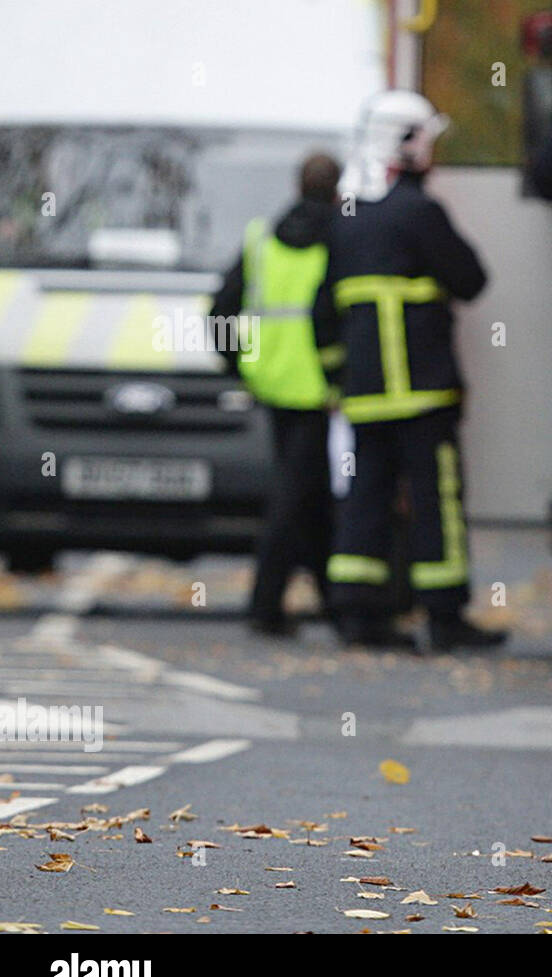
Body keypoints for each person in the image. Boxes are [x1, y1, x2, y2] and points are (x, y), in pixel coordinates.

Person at [316, 90, 506, 652]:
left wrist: (336, 383)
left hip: (366, 398)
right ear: (409, 146)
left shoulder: (346, 219)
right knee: (436, 501)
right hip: (422, 396)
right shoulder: (420, 214)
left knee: (365, 499)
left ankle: (358, 615)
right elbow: (472, 280)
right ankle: (444, 618)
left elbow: (321, 312)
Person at [210, 152, 343, 635]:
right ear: (336, 190)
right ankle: (265, 606)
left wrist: (238, 364)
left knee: (308, 493)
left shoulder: (262, 239)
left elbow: (221, 309)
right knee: (293, 497)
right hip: (320, 386)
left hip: (271, 383)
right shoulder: (339, 240)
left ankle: (335, 600)